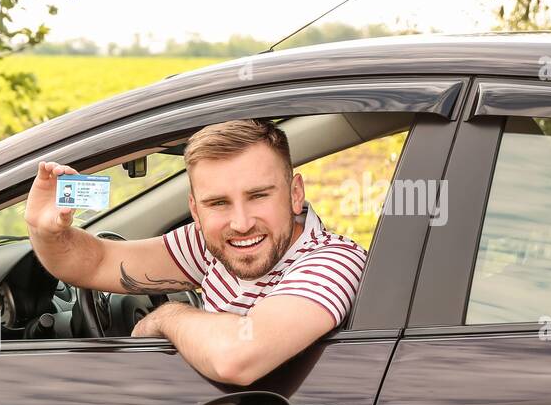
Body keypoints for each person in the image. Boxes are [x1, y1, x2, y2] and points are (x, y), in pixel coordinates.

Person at [24, 118, 366, 385]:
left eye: (259, 195)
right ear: (196, 209)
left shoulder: (333, 261)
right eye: (218, 203)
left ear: (295, 194)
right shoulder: (209, 245)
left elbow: (237, 356)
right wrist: (46, 230)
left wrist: (163, 318)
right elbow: (94, 263)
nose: (241, 223)